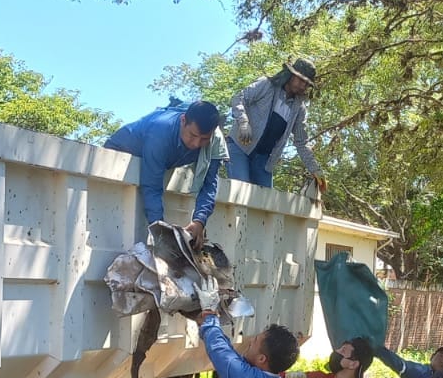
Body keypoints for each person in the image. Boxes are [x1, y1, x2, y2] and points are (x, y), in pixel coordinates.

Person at [103, 99, 224, 246]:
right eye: (192, 135)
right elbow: (152, 186)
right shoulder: (160, 131)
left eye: (204, 139)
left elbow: (209, 183)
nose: (196, 144)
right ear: (183, 120)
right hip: (116, 154)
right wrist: (160, 234)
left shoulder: (216, 141)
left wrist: (200, 221)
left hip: (157, 163)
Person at [226, 57, 324, 193]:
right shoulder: (266, 85)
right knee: (240, 191)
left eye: (307, 84)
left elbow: (301, 142)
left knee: (265, 203)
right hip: (239, 148)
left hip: (263, 159)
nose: (303, 86)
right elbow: (239, 98)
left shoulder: (299, 109)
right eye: (301, 80)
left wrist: (315, 169)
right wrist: (243, 122)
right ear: (291, 74)